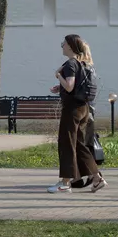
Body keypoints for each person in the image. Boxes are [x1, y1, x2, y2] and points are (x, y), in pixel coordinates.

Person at [49, 34, 105, 193]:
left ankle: (65, 183)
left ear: (71, 46)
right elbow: (76, 86)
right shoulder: (84, 63)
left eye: (63, 44)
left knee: (67, 143)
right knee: (79, 144)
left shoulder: (70, 64)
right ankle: (96, 178)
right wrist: (59, 87)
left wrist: (58, 75)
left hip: (72, 109)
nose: (62, 46)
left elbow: (69, 86)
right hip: (84, 108)